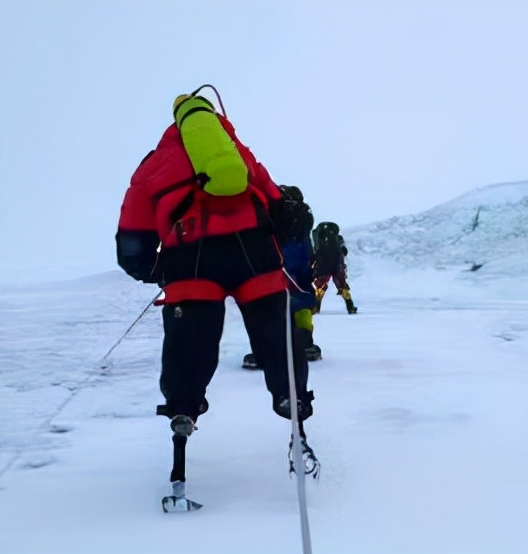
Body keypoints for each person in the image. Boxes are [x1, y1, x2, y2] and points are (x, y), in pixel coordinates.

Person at [115, 89, 318, 502]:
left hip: (191, 259)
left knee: (190, 349)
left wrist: (157, 272)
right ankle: (290, 402)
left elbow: (132, 244)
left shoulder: (154, 163)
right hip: (254, 252)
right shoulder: (235, 150)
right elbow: (278, 204)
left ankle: (183, 417)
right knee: (276, 338)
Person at [242, 184, 322, 369]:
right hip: (299, 269)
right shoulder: (302, 217)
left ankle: (265, 349)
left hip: (272, 264)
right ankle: (304, 342)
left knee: (270, 304)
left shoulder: (273, 212)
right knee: (301, 300)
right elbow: (307, 250)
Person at [312, 221, 358, 314]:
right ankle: (350, 306)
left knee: (320, 286)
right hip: (338, 265)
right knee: (342, 285)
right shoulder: (339, 239)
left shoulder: (319, 240)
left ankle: (316, 307)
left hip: (323, 265)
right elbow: (344, 252)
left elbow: (315, 253)